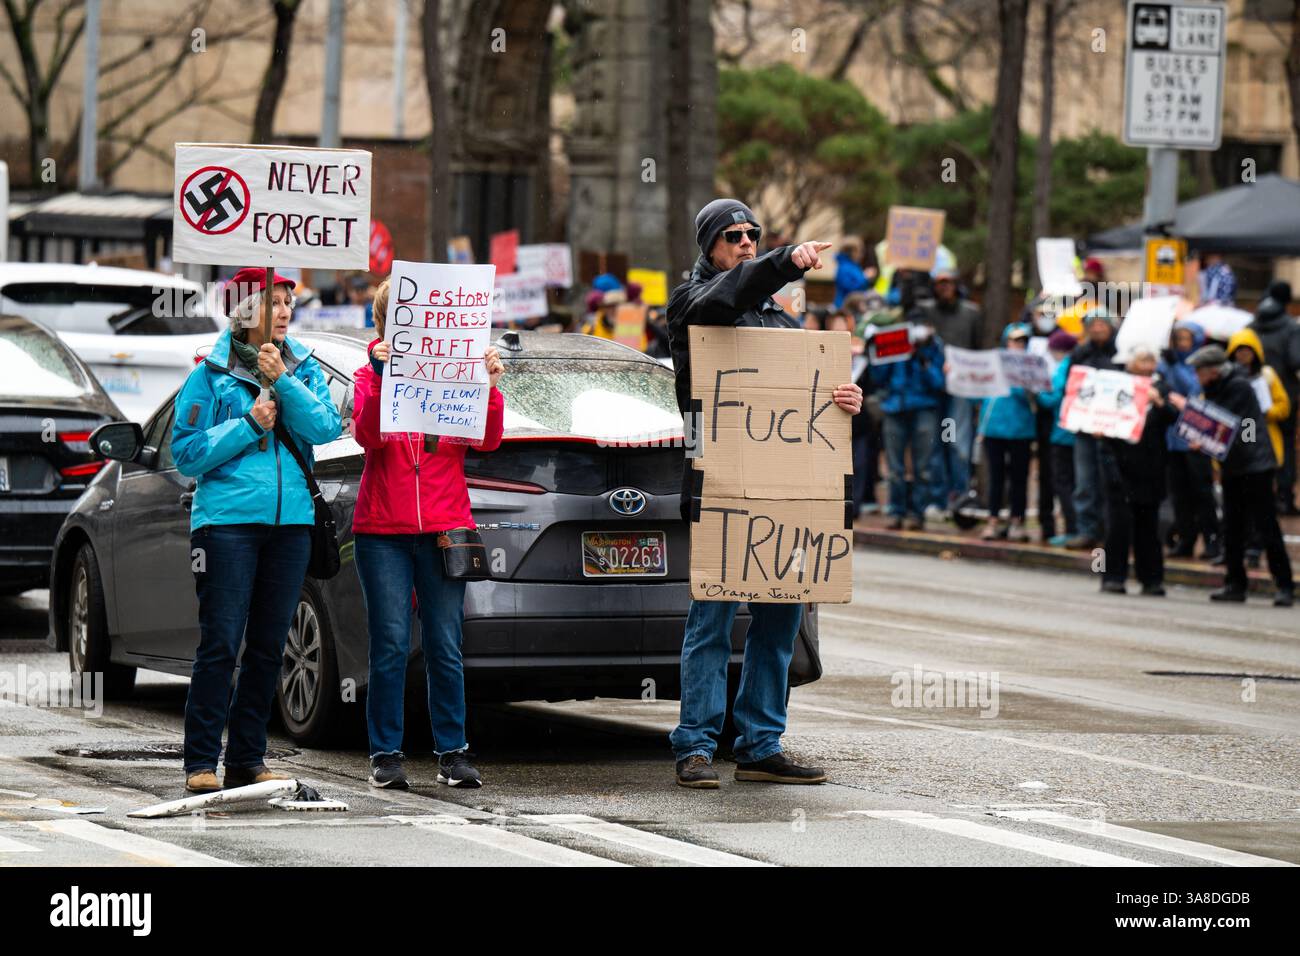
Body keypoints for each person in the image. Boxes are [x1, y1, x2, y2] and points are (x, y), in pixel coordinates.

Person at [665, 198, 863, 789]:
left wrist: (843, 401)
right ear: (709, 247)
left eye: (754, 234)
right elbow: (726, 297)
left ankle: (759, 744)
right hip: (719, 483)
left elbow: (804, 394)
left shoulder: (779, 317)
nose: (746, 242)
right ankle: (695, 746)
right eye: (733, 236)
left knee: (780, 621)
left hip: (784, 490)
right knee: (713, 620)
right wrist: (784, 261)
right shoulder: (692, 304)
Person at [172, 268, 343, 794]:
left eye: (290, 301)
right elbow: (186, 453)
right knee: (222, 643)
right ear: (245, 310)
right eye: (274, 301)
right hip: (226, 525)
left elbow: (326, 428)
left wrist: (284, 381)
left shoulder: (303, 368)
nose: (286, 310)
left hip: (291, 526)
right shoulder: (209, 374)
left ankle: (248, 757)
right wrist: (247, 425)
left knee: (270, 645)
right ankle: (201, 760)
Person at [349, 279, 507, 789]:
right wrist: (377, 372)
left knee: (445, 642)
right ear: (384, 325)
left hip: (444, 527)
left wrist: (490, 388)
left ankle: (453, 752)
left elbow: (486, 439)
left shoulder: (456, 374)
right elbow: (368, 433)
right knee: (391, 643)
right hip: (382, 531)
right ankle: (385, 755)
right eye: (399, 316)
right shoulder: (366, 374)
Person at [1175, 346, 1293, 606]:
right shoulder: (1218, 388)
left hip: (1255, 465)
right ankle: (1235, 583)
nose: (1197, 377)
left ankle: (1284, 584)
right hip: (1234, 466)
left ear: (1214, 371)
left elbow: (1236, 426)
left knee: (1266, 525)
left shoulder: (1238, 387)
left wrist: (1205, 434)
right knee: (1233, 527)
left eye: (1200, 372)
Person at [1099, 349, 1176, 596]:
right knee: (1118, 526)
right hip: (1121, 464)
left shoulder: (1161, 387)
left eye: (1151, 360)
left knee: (1149, 527)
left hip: (1150, 467)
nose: (1147, 365)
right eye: (1142, 360)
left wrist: (1159, 402)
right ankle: (1112, 577)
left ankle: (1151, 579)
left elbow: (1174, 418)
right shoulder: (1116, 385)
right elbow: (1102, 417)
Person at [1228, 327, 1292, 569]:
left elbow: (1283, 406)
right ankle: (1240, 549)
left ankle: (1256, 547)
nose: (1244, 356)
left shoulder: (1267, 375)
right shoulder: (1229, 378)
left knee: (1262, 504)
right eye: (1239, 351)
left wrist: (1267, 412)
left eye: (1248, 351)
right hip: (1239, 449)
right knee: (1238, 505)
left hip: (1263, 444)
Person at [922, 264, 983, 516]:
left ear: (957, 286)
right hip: (933, 385)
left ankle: (960, 495)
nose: (944, 288)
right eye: (940, 283)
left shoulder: (971, 313)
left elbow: (978, 348)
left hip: (961, 386)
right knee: (935, 444)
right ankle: (938, 497)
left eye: (948, 283)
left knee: (958, 443)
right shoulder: (926, 311)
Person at [873, 323, 946, 531]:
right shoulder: (896, 338)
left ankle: (917, 513)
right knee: (894, 467)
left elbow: (939, 382)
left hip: (924, 408)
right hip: (895, 407)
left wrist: (922, 361)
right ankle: (896, 512)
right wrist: (880, 352)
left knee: (923, 466)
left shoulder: (933, 346)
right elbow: (878, 377)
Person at [1159, 320, 1220, 561]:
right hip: (1173, 439)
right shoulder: (1168, 362)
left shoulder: (1200, 362)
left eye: (1186, 338)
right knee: (1179, 493)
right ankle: (1186, 539)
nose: (1181, 343)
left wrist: (1175, 369)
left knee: (1202, 493)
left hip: (1196, 439)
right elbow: (1164, 390)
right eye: (1178, 338)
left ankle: (1212, 541)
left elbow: (1194, 391)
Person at [976, 324, 1036, 541]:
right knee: (996, 477)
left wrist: (1024, 384)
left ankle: (1016, 522)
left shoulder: (1032, 366)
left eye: (1022, 342)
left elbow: (1037, 399)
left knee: (1019, 478)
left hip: (1021, 430)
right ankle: (992, 520)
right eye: (1014, 340)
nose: (1017, 345)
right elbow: (978, 394)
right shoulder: (993, 364)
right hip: (994, 429)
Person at [1065, 308, 1119, 550]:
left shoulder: (1121, 353)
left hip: (1112, 429)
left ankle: (1111, 531)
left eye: (1101, 324)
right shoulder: (1080, 353)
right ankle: (1087, 530)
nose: (1097, 328)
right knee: (1085, 482)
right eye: (1092, 324)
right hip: (1084, 428)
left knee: (1111, 482)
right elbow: (1070, 386)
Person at [1248, 280, 1300, 515]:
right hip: (1283, 397)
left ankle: (1255, 494)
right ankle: (1284, 496)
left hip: (1250, 396)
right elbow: (1295, 359)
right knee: (1286, 445)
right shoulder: (1291, 326)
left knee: (1250, 440)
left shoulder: (1252, 324)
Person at [1036, 329, 1079, 546]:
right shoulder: (1081, 364)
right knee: (1075, 482)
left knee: (1063, 483)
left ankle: (1073, 529)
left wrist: (1037, 392)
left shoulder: (1065, 367)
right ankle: (1078, 527)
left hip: (1062, 433)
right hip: (1078, 432)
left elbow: (1051, 399)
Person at [833, 236, 869, 308]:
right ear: (851, 251)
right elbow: (849, 287)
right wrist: (864, 277)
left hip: (854, 304)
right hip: (845, 305)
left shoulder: (853, 265)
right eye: (859, 251)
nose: (861, 255)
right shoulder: (844, 267)